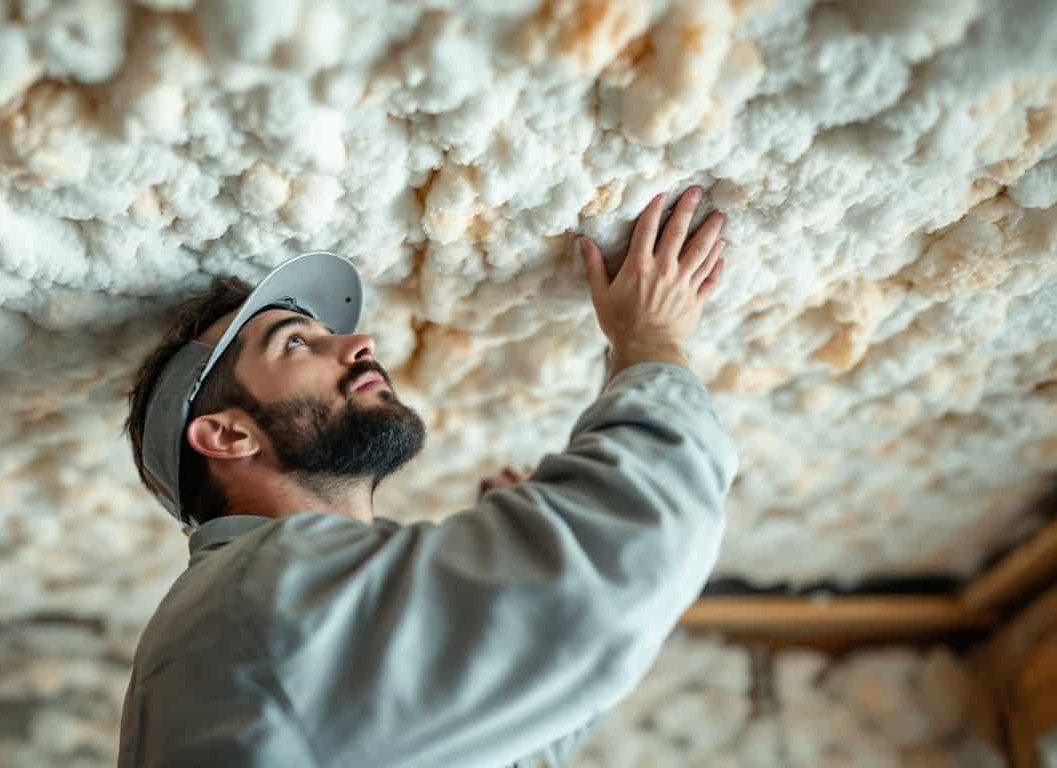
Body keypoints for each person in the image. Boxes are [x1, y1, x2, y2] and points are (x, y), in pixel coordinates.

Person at [117, 186, 737, 767]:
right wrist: (648, 341)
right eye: (296, 344)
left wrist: (511, 563)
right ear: (228, 436)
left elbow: (518, 708)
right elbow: (624, 566)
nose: (358, 343)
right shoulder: (260, 596)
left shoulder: (246, 618)